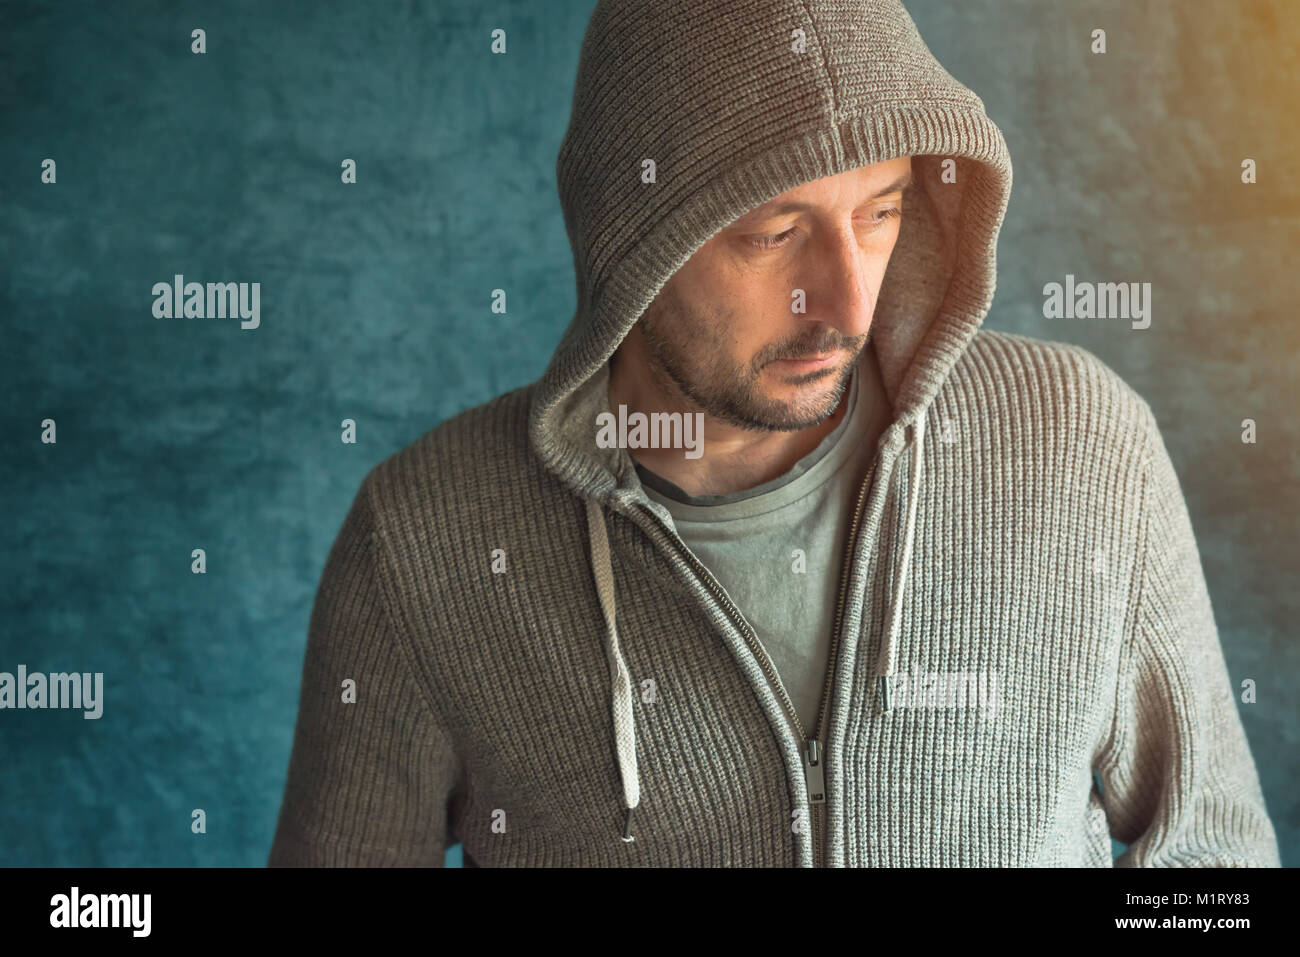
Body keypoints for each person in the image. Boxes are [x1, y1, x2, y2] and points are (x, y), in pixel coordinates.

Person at [268, 0, 1280, 867]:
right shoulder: (423, 540)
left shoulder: (1082, 448)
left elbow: (1214, 867)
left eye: (880, 211)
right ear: (633, 244)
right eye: (772, 234)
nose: (845, 302)